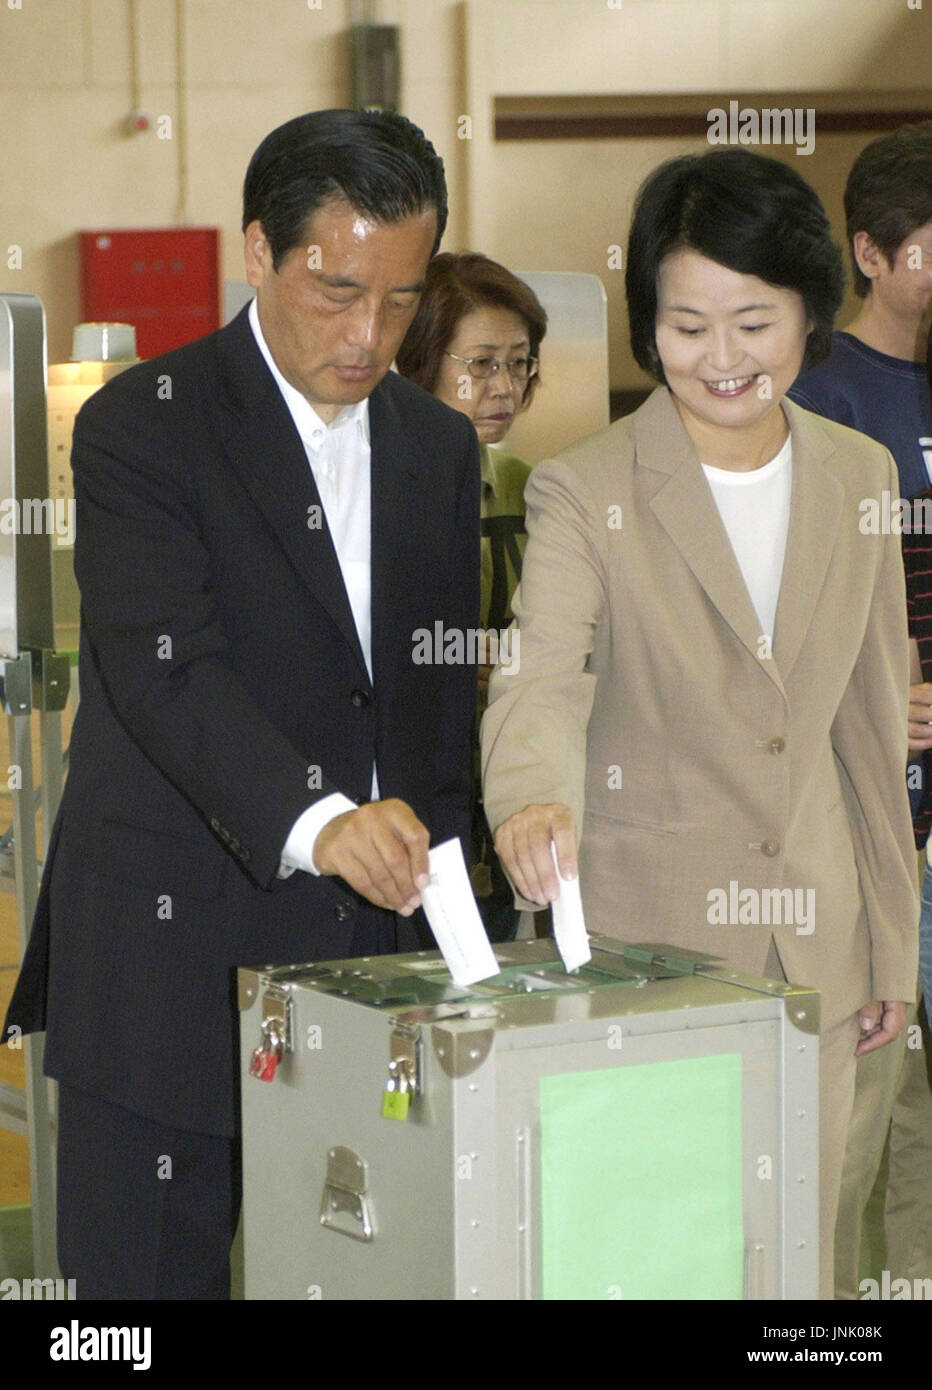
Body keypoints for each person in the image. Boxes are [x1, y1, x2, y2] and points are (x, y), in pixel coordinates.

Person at [3, 108, 479, 1299]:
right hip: (173, 959)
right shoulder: (140, 428)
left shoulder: (435, 447)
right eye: (337, 290)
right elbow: (168, 673)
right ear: (258, 252)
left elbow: (429, 700)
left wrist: (473, 923)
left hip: (376, 968)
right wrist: (321, 821)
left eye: (403, 299)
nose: (367, 336)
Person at [481, 148, 918, 1299]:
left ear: (808, 315)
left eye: (750, 322)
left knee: (796, 1271)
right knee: (652, 1264)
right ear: (647, 328)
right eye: (685, 327)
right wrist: (531, 796)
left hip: (816, 951)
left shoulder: (859, 471)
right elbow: (540, 672)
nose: (719, 360)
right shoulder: (584, 486)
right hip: (648, 953)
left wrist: (890, 945)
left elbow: (872, 726)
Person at [788, 121, 932, 1299]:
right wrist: (879, 696)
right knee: (853, 1112)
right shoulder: (820, 400)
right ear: (871, 254)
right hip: (870, 817)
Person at [396, 252, 547, 940]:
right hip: (400, 806)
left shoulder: (534, 487)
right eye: (480, 363)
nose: (504, 387)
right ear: (417, 360)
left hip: (505, 802)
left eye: (518, 363)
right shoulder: (374, 490)